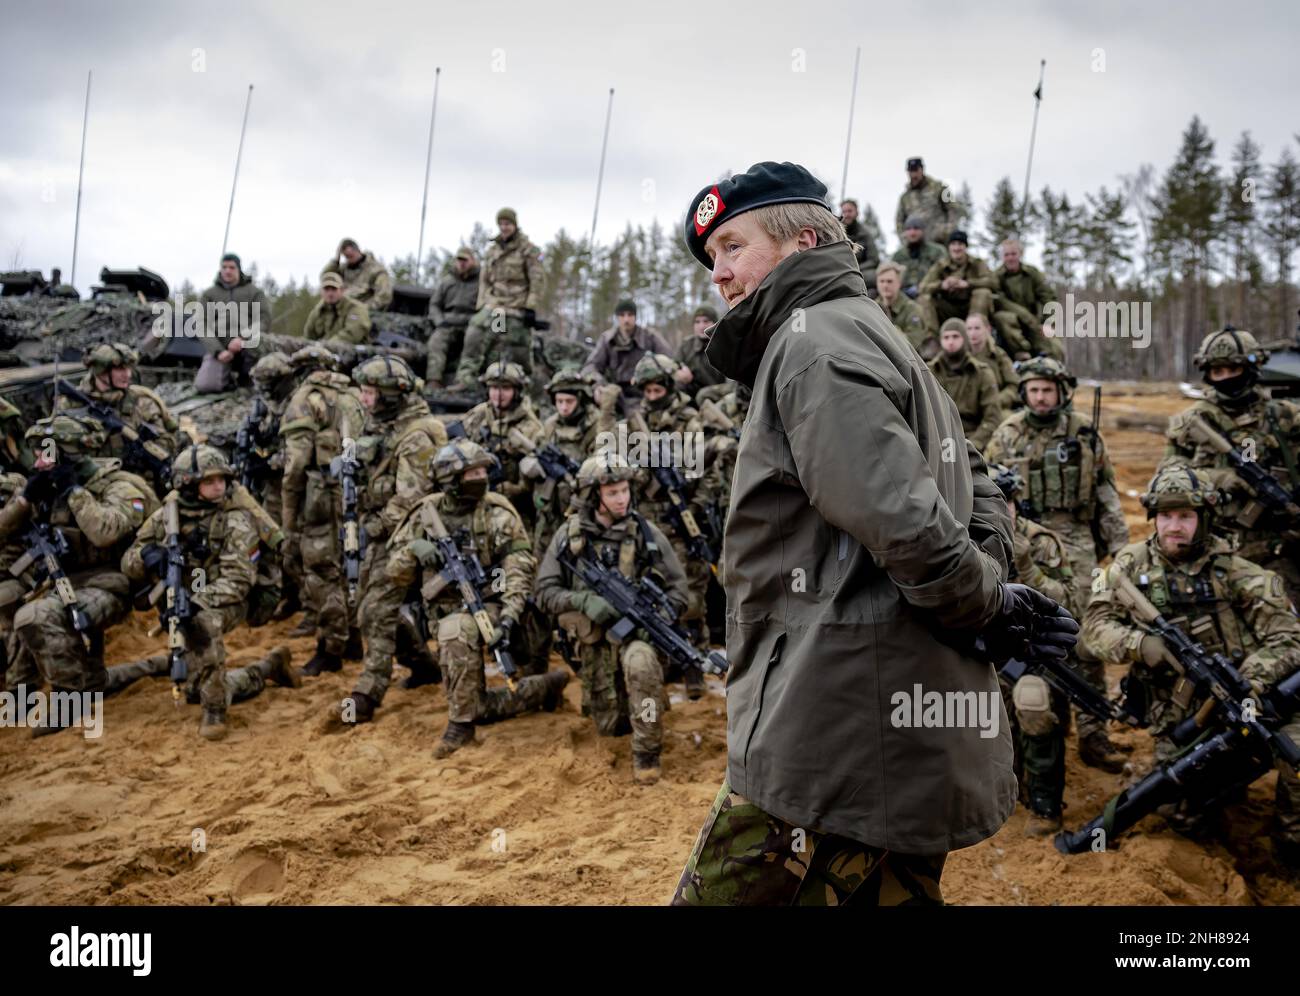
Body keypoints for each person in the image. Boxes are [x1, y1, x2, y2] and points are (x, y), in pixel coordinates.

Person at [670, 160, 1076, 906]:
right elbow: (975, 481)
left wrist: (986, 604)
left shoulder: (812, 345)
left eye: (733, 246)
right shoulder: (869, 333)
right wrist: (991, 587)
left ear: (802, 241)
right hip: (889, 726)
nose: (719, 275)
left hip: (826, 730)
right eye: (711, 258)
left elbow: (904, 519)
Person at [1083, 464, 1300, 863]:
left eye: (1185, 516)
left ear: (1205, 519)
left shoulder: (1236, 570)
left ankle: (1290, 851)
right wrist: (1140, 644)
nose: (1174, 526)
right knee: (1179, 810)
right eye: (1165, 516)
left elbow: (1289, 637)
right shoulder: (1127, 567)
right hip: (1182, 716)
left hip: (1250, 702)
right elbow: (1093, 628)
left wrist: (1250, 679)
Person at [984, 357, 1131, 772]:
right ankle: (1040, 716)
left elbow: (1106, 494)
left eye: (1048, 389)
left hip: (1074, 536)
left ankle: (1093, 731)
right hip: (1021, 532)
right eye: (1034, 390)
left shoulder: (1084, 431)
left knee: (1082, 633)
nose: (1041, 397)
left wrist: (1119, 547)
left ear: (1061, 392)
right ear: (1024, 393)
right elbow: (986, 486)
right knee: (1021, 623)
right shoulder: (1007, 433)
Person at [387, 439, 569, 758]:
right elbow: (394, 573)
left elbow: (520, 569)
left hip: (496, 605)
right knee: (456, 631)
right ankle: (463, 724)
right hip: (446, 611)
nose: (481, 478)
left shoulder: (497, 513)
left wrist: (510, 616)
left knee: (533, 607)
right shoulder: (424, 514)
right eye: (472, 473)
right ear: (450, 480)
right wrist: (413, 551)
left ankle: (537, 683)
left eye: (484, 471)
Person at [121, 446, 299, 739]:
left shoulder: (235, 517)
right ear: (188, 484)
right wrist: (148, 556)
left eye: (222, 480)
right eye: (209, 481)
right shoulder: (170, 512)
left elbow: (239, 579)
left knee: (204, 624)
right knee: (193, 689)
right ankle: (267, 668)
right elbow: (129, 560)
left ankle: (215, 710)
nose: (219, 486)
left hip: (234, 598)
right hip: (190, 594)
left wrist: (196, 602)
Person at [535, 452, 689, 784]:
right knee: (610, 727)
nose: (622, 499)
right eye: (612, 493)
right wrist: (582, 600)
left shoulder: (646, 534)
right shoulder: (570, 536)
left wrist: (658, 618)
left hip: (636, 639)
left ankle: (647, 752)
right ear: (595, 496)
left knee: (642, 663)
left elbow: (680, 590)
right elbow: (544, 592)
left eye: (625, 491)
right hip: (593, 648)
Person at [6, 416, 158, 730]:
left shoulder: (119, 486)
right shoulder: (47, 489)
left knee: (35, 616)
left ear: (66, 455)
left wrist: (74, 490)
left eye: (44, 453)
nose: (37, 460)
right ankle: (19, 702)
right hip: (64, 583)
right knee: (23, 625)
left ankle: (69, 701)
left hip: (112, 584)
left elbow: (104, 532)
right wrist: (25, 500)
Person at [337, 356, 448, 724]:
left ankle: (369, 691)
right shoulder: (382, 424)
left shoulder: (417, 434)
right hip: (383, 530)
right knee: (367, 604)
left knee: (377, 610)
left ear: (390, 396)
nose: (363, 399)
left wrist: (372, 527)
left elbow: (410, 500)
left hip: (408, 534)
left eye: (370, 393)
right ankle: (423, 664)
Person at [1163, 328, 1300, 607]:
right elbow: (1167, 480)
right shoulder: (1192, 422)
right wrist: (1220, 477)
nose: (1226, 377)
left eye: (1233, 368)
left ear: (1252, 367)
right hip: (1213, 546)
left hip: (1279, 547)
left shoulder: (1285, 416)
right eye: (1218, 371)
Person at [991, 463, 1077, 836]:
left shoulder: (1040, 542)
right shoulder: (958, 536)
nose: (996, 510)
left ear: (1016, 504)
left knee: (1031, 703)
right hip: (980, 656)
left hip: (1032, 660)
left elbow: (1070, 603)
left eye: (1004, 502)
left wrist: (1025, 565)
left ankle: (1044, 804)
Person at [279, 345, 368, 676]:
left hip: (320, 495)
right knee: (352, 565)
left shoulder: (305, 399)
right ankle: (355, 638)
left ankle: (330, 649)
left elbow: (296, 463)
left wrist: (290, 518)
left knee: (321, 572)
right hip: (357, 491)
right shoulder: (355, 395)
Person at [57, 342, 180, 489]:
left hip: (139, 484)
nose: (127, 374)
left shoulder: (143, 400)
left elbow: (169, 440)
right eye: (120, 369)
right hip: (87, 483)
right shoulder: (70, 404)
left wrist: (141, 449)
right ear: (101, 370)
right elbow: (49, 442)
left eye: (129, 368)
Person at [452, 209, 545, 387]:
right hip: (497, 308)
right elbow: (485, 279)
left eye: (507, 224)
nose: (504, 228)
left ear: (515, 225)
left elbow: (537, 279)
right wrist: (483, 304)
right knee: (477, 332)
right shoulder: (493, 250)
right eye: (501, 224)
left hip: (517, 306)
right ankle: (466, 380)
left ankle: (522, 384)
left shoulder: (528, 250)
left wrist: (530, 307)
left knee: (516, 347)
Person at [531, 367, 617, 555]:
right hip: (549, 507)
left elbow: (601, 462)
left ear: (580, 399)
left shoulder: (595, 425)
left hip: (581, 506)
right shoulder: (550, 425)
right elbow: (535, 449)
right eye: (559, 401)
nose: (563, 407)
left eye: (569, 401)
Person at [459, 361, 546, 530]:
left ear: (517, 391)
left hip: (515, 506)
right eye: (494, 388)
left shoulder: (531, 426)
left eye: (505, 389)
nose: (498, 395)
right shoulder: (479, 414)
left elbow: (537, 472)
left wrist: (517, 488)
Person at [197, 253, 273, 391]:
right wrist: (218, 351)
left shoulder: (254, 292)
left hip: (248, 345)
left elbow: (264, 320)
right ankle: (228, 379)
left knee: (257, 384)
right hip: (221, 348)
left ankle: (248, 380)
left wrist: (242, 338)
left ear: (238, 269)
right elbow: (201, 325)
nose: (227, 271)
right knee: (206, 385)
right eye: (224, 267)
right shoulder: (209, 294)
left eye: (232, 267)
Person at [580, 300, 674, 409]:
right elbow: (590, 366)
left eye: (630, 315)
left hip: (646, 392)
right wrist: (598, 384)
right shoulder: (607, 339)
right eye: (622, 315)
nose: (626, 319)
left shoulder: (650, 336)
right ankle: (621, 425)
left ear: (635, 316)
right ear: (617, 317)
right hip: (616, 394)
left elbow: (669, 361)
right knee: (617, 422)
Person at [928, 318, 1003, 450]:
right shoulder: (929, 372)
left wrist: (972, 445)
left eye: (956, 336)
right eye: (946, 337)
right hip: (936, 440)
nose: (950, 342)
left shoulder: (982, 373)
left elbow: (992, 418)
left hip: (972, 440)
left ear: (965, 338)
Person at [991, 239, 1061, 360]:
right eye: (1006, 255)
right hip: (1010, 327)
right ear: (1002, 257)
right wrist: (1025, 317)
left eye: (1013, 254)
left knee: (1055, 349)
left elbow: (1048, 298)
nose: (1010, 258)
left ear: (1020, 254)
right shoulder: (996, 277)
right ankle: (1023, 353)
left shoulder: (1032, 273)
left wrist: (1049, 323)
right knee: (1002, 317)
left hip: (1034, 325)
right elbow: (999, 301)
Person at [918, 230, 996, 334]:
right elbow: (922, 287)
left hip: (972, 306)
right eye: (953, 244)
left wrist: (967, 284)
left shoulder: (977, 263)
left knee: (983, 292)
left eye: (960, 244)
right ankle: (932, 338)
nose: (956, 248)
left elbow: (993, 282)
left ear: (965, 247)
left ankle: (975, 332)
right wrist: (942, 285)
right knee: (925, 298)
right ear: (949, 247)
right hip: (948, 307)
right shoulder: (941, 265)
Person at [425, 247, 481, 388]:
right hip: (449, 321)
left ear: (473, 261)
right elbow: (434, 304)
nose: (462, 264)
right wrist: (439, 321)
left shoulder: (482, 281)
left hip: (472, 321)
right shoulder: (447, 281)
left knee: (473, 343)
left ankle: (463, 381)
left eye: (465, 260)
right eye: (459, 260)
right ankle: (434, 380)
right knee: (436, 342)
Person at [894, 157, 961, 242]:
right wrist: (904, 239)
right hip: (917, 247)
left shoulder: (940, 188)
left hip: (940, 242)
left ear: (922, 169)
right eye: (911, 171)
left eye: (916, 170)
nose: (914, 175)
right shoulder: (905, 198)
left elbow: (953, 208)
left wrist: (947, 230)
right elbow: (899, 221)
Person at [874, 260, 932, 357]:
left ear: (899, 283)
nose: (885, 285)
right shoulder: (873, 307)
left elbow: (913, 343)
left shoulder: (912, 309)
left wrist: (891, 331)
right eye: (882, 281)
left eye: (889, 281)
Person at [965, 312, 1019, 410]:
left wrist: (997, 400)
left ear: (988, 329)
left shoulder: (998, 355)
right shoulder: (961, 356)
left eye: (977, 328)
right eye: (969, 329)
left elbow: (1013, 385)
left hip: (996, 407)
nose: (973, 333)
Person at [673, 305, 729, 399]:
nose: (701, 326)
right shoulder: (686, 346)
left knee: (703, 395)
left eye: (706, 321)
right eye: (697, 322)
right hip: (693, 394)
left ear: (715, 322)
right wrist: (680, 375)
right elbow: (673, 367)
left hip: (721, 394)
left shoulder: (725, 344)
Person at [322, 238, 393, 311]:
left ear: (357, 250)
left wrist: (362, 309)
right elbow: (326, 279)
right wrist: (336, 260)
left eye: (350, 255)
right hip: (342, 310)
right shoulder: (344, 269)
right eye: (346, 256)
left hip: (364, 313)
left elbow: (384, 297)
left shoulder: (376, 270)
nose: (348, 259)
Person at [303, 272, 372, 344]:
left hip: (350, 352)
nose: (330, 293)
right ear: (321, 291)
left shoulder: (355, 308)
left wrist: (327, 345)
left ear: (342, 290)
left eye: (334, 289)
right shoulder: (318, 311)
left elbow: (353, 333)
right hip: (323, 350)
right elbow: (308, 336)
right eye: (326, 289)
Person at [891, 215, 947, 298]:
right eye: (909, 229)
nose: (912, 232)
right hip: (903, 296)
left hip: (930, 295)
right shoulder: (898, 256)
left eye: (916, 228)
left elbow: (944, 275)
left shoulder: (937, 251)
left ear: (923, 231)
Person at [838, 198, 879, 288]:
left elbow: (874, 260)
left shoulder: (865, 234)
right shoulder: (836, 233)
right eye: (844, 211)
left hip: (860, 270)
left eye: (850, 211)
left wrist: (856, 268)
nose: (847, 214)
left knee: (873, 277)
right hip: (840, 271)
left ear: (857, 213)